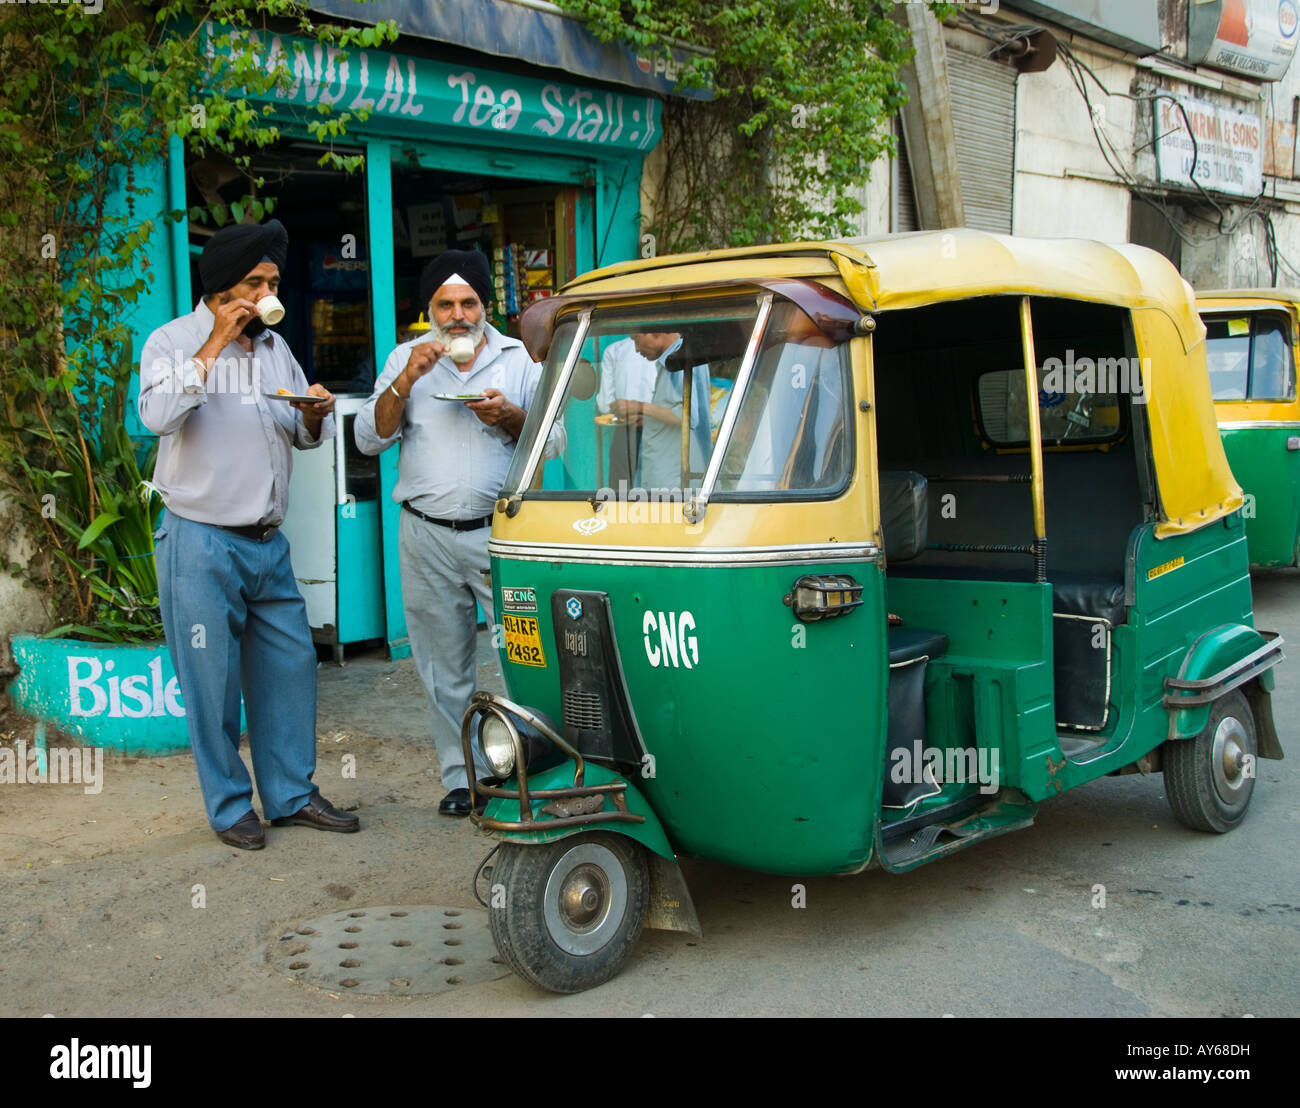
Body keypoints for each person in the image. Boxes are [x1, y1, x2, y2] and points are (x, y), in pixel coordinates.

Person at [138, 218, 356, 851]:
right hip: (200, 541)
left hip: (268, 543)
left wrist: (313, 416)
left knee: (290, 667)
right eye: (254, 282)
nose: (266, 294)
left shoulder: (274, 350)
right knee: (210, 682)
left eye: (273, 282)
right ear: (219, 286)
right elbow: (156, 416)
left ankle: (290, 793)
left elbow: (297, 433)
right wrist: (213, 345)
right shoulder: (172, 342)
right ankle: (231, 805)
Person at [353, 249, 561, 816]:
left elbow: (557, 437)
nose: (458, 314)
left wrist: (511, 417)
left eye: (468, 301)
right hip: (425, 535)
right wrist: (405, 381)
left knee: (527, 653)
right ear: (430, 311)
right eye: (445, 304)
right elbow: (368, 440)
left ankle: (541, 768)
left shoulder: (520, 359)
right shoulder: (406, 359)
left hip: (502, 533)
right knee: (444, 666)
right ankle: (463, 778)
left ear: (486, 306)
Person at [613, 331, 713, 491]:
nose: (637, 349)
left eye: (637, 340)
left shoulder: (680, 360)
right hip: (666, 475)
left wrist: (639, 406)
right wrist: (649, 420)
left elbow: (688, 416)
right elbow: (674, 409)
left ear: (655, 332)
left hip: (670, 481)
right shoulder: (674, 359)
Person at [594, 336, 657, 489]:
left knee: (621, 493)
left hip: (627, 431)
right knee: (658, 493)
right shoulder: (665, 349)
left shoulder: (614, 350)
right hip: (659, 429)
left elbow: (604, 403)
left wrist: (628, 410)